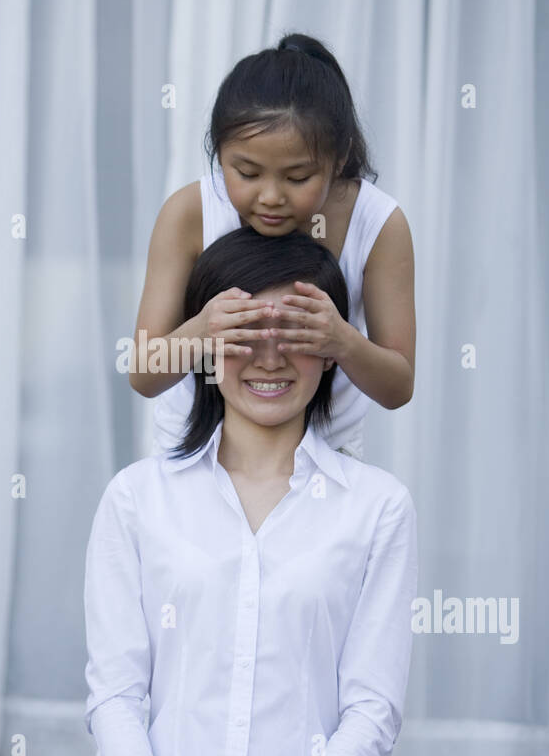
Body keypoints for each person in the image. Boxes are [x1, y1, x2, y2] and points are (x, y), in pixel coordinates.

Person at [76, 227, 418, 756]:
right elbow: (115, 696)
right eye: (244, 333)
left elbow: (373, 711)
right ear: (203, 343)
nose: (269, 358)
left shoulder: (376, 510)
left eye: (293, 333)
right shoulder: (138, 499)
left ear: (331, 348)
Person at [129, 33, 415, 461]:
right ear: (219, 153)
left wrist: (342, 341)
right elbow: (143, 372)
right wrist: (201, 331)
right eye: (246, 172)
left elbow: (398, 388)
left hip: (325, 461)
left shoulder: (377, 224)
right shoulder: (188, 214)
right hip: (196, 454)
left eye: (298, 178)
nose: (270, 197)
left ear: (339, 161)